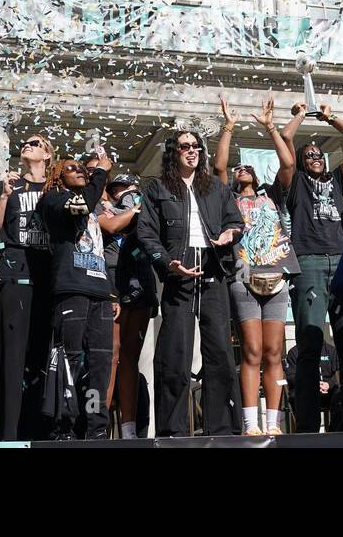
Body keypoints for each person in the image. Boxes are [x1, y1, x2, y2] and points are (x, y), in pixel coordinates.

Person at [137, 129, 244, 437]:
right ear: (174, 152)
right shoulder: (158, 188)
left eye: (196, 146)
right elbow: (146, 232)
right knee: (174, 352)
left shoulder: (215, 187)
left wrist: (230, 233)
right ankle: (172, 430)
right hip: (178, 271)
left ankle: (223, 429)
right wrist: (165, 261)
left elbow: (235, 221)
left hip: (213, 267)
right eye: (185, 146)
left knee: (220, 350)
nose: (192, 151)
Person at [214, 95, 299, 436]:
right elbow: (219, 168)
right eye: (239, 169)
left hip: (277, 275)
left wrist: (271, 128)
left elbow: (288, 165)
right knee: (251, 349)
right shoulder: (228, 199)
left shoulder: (271, 196)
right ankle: (251, 424)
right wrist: (228, 127)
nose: (241, 169)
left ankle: (274, 424)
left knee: (274, 351)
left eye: (247, 167)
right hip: (244, 275)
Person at [283, 102, 343, 433]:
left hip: (342, 262)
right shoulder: (296, 183)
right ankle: (306, 426)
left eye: (319, 155)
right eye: (309, 156)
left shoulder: (336, 179)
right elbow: (286, 142)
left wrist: (331, 118)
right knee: (310, 341)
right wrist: (301, 115)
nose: (316, 158)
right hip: (310, 261)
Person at [37, 149, 124, 439]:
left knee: (100, 364)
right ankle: (65, 427)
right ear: (57, 176)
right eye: (72, 168)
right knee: (70, 360)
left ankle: (96, 428)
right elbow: (83, 204)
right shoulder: (53, 199)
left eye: (82, 169)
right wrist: (101, 172)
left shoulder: (92, 207)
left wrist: (112, 293)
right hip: (71, 289)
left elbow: (101, 249)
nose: (80, 171)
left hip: (99, 292)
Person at [0, 134, 56, 440]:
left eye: (36, 143)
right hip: (14, 275)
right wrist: (4, 196)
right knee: (10, 355)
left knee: (41, 354)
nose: (28, 144)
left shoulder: (55, 188)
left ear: (47, 155)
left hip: (47, 279)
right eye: (25, 142)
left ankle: (36, 428)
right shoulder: (8, 185)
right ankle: (4, 432)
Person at [105, 172, 151, 439]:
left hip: (140, 285)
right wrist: (130, 208)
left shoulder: (143, 210)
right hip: (112, 284)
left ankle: (129, 429)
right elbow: (112, 226)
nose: (120, 193)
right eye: (116, 189)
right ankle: (100, 427)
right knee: (111, 356)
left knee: (130, 358)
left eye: (127, 188)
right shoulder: (104, 208)